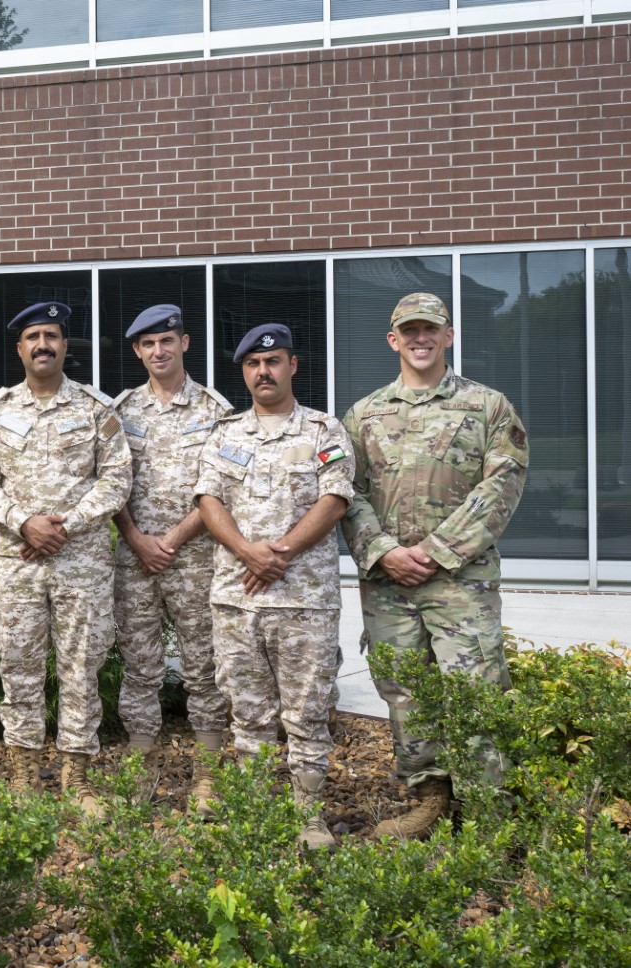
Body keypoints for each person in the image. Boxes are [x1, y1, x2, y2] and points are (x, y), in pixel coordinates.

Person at [341, 292, 529, 839]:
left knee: (475, 686)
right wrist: (384, 552)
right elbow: (345, 494)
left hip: (461, 581)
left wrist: (435, 552)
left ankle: (489, 812)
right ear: (393, 340)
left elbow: (503, 485)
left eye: (432, 330)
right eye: (410, 331)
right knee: (405, 691)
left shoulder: (488, 408)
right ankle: (430, 799)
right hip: (388, 584)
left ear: (449, 337)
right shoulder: (365, 415)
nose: (421, 339)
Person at [195, 324, 355, 851]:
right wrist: (246, 551)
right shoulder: (224, 434)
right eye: (252, 365)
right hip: (237, 599)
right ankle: (257, 812)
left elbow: (334, 500)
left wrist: (279, 551)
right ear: (243, 372)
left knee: (307, 711)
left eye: (273, 362)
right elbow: (209, 501)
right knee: (249, 712)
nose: (263, 372)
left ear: (293, 366)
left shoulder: (323, 431)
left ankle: (309, 817)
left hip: (303, 600)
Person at [0, 302, 132, 806]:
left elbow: (117, 477)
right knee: (18, 668)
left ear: (65, 346)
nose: (43, 344)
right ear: (19, 348)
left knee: (82, 670)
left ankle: (77, 778)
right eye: (33, 336)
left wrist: (70, 524)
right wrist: (24, 523)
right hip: (17, 565)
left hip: (81, 565)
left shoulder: (95, 409)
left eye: (52, 336)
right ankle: (23, 773)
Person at [109, 305, 233, 809]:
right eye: (147, 344)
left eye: (167, 341)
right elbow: (109, 482)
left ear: (184, 343)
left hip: (195, 558)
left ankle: (207, 776)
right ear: (137, 352)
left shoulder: (215, 410)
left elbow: (220, 488)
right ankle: (141, 768)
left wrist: (173, 539)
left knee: (205, 668)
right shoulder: (120, 411)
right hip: (135, 559)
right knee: (140, 667)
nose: (158, 351)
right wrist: (137, 538)